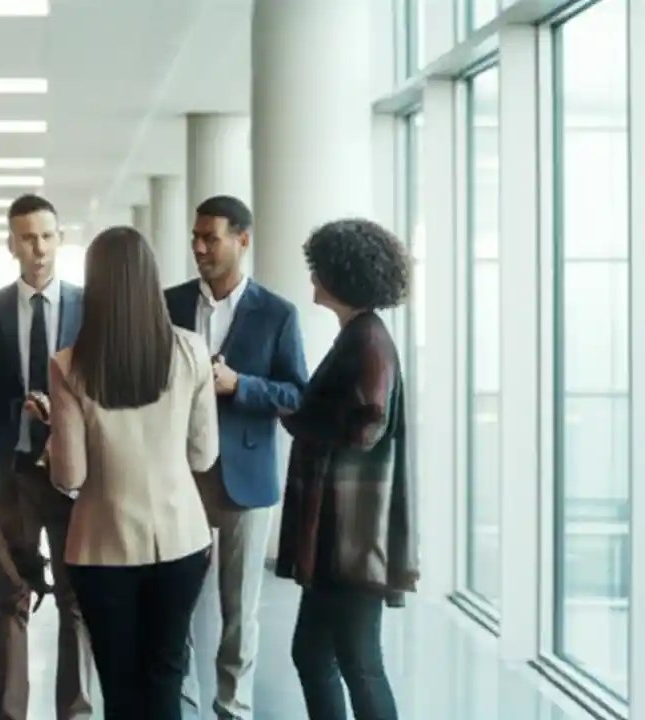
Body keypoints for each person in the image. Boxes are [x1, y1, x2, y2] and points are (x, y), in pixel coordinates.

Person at [48, 225, 219, 720]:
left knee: (119, 686)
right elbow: (203, 456)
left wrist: (54, 441)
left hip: (101, 544)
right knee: (167, 673)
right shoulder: (191, 352)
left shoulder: (68, 365)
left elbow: (71, 474)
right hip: (180, 539)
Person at [164, 195, 308, 720]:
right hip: (178, 477)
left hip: (247, 478)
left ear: (242, 239)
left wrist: (239, 385)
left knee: (239, 610)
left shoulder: (277, 313)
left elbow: (296, 395)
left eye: (211, 237)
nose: (199, 247)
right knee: (174, 602)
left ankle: (233, 708)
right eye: (195, 237)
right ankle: (179, 705)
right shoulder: (169, 304)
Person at [0, 193, 93, 720]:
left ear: (59, 239)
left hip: (72, 478)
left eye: (47, 236)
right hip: (6, 474)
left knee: (77, 600)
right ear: (11, 244)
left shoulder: (89, 307)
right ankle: (9, 714)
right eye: (27, 237)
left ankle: (74, 711)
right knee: (8, 597)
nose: (38, 248)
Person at [277, 218, 417, 720]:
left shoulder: (368, 340)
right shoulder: (360, 334)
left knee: (359, 662)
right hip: (344, 532)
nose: (312, 280)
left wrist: (299, 415)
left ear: (340, 274)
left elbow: (366, 426)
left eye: (317, 270)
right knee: (312, 654)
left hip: (353, 534)